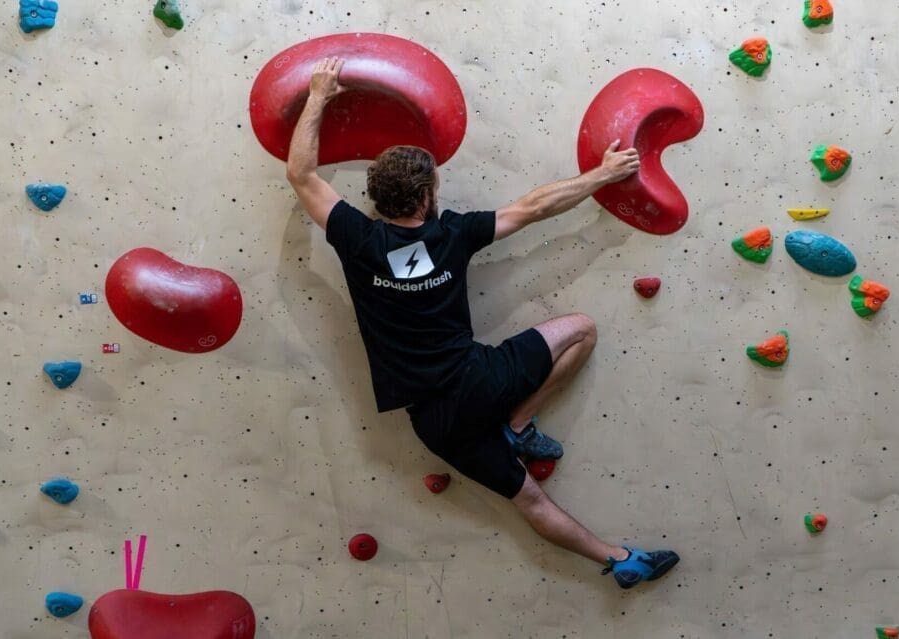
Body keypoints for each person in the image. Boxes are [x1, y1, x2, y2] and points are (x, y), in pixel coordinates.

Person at [285, 57, 679, 589]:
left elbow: (301, 174)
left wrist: (317, 96)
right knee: (581, 328)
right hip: (480, 379)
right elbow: (536, 207)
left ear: (378, 197)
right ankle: (518, 424)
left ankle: (617, 560)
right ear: (426, 195)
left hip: (432, 419)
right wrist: (603, 175)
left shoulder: (355, 237)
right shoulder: (453, 235)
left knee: (529, 500)